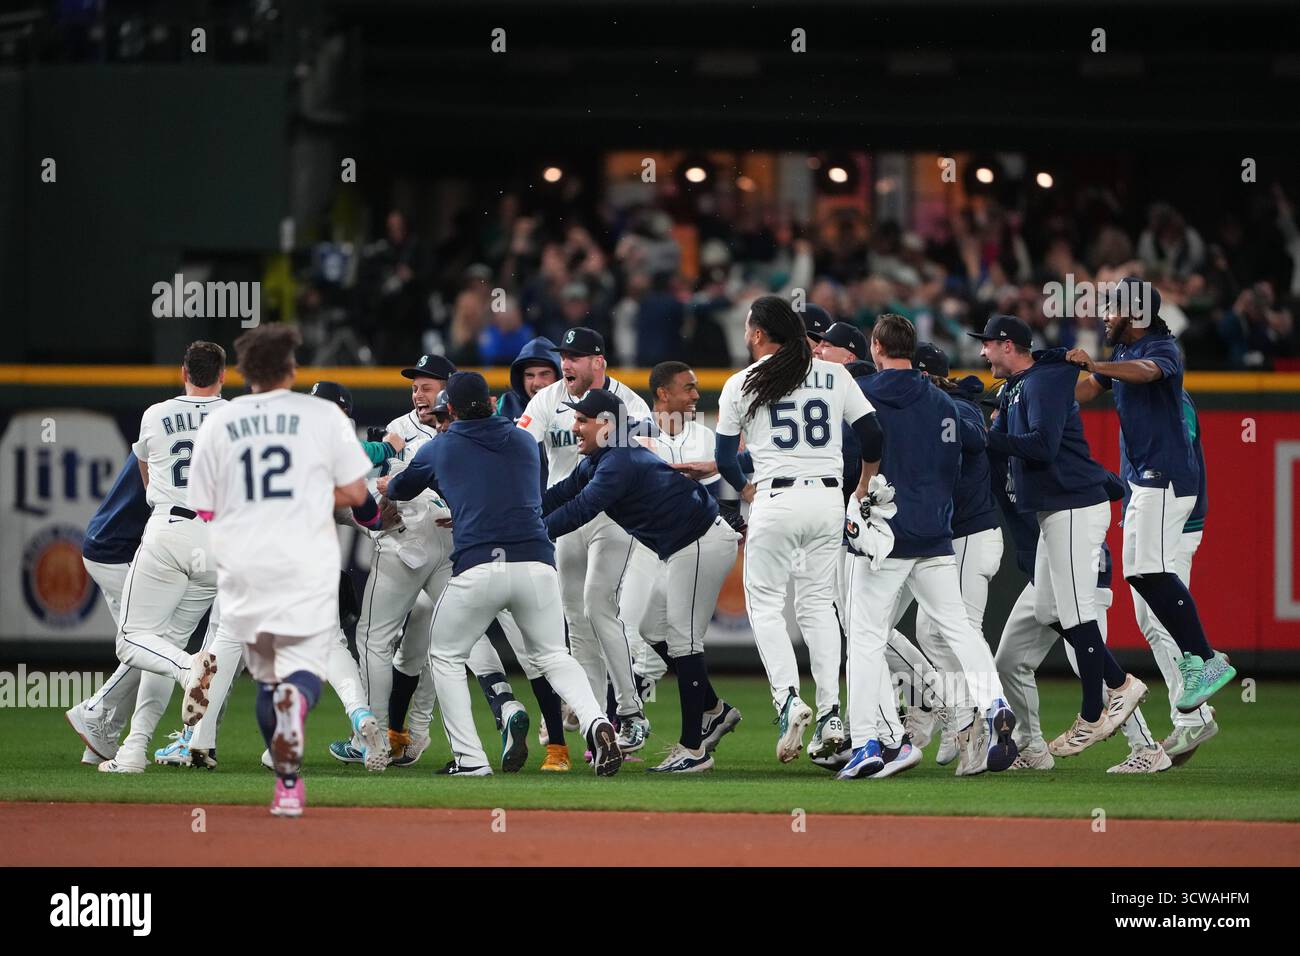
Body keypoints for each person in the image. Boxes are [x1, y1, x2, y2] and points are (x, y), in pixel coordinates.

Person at [381, 371, 624, 776]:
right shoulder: (526, 441)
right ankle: (597, 722)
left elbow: (402, 489)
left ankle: (471, 759)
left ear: (452, 410)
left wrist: (387, 479)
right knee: (553, 655)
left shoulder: (441, 446)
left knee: (445, 655)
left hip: (479, 566)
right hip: (536, 563)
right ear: (493, 403)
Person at [187, 325, 377, 817]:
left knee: (268, 676)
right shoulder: (319, 416)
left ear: (244, 372)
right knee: (307, 663)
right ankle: (293, 747)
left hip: (246, 562)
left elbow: (205, 509)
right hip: (306, 558)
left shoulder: (220, 423)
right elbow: (360, 497)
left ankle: (287, 783)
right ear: (292, 370)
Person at [838, 315, 1018, 780]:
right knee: (959, 629)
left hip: (886, 536)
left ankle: (865, 743)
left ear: (876, 346)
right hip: (936, 536)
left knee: (864, 638)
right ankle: (994, 701)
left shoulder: (865, 394)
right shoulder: (943, 400)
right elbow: (953, 468)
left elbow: (849, 458)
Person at [713, 295, 883, 764]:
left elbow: (727, 457)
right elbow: (872, 434)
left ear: (759, 334)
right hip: (828, 499)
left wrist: (746, 490)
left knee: (766, 605)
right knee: (817, 608)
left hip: (775, 498)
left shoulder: (741, 382)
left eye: (749, 328)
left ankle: (789, 698)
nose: (746, 335)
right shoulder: (833, 374)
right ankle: (831, 711)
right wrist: (864, 482)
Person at [542, 390, 742, 772]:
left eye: (583, 420)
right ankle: (714, 710)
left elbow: (582, 508)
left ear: (607, 425)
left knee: (685, 642)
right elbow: (560, 495)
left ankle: (693, 749)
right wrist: (518, 520)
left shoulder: (619, 461)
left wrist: (534, 534)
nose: (575, 427)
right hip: (685, 546)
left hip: (700, 543)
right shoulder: (602, 459)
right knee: (653, 630)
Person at [975, 314, 1147, 757]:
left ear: (1008, 345)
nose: (982, 352)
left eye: (988, 344)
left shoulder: (1043, 382)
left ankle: (1094, 712)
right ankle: (1119, 682)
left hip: (1074, 505)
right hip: (1055, 510)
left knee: (1074, 614)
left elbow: (1043, 445)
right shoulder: (1021, 384)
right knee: (1051, 607)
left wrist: (991, 439)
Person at [1069, 277, 1236, 722]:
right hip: (1146, 481)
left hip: (1165, 479)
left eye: (1113, 307)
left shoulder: (1161, 348)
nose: (1105, 314)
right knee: (1141, 575)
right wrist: (1052, 385)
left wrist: (1096, 365)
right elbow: (1086, 390)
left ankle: (1205, 657)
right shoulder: (1123, 352)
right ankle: (1199, 657)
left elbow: (1148, 372)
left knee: (1148, 571)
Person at [518, 327, 655, 753]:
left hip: (612, 516)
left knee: (598, 606)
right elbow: (520, 446)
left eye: (576, 356)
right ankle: (599, 725)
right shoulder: (547, 399)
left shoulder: (628, 401)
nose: (566, 363)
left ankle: (631, 713)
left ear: (599, 362)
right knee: (576, 621)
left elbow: (648, 447)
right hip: (567, 516)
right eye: (564, 355)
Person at [99, 342, 228, 772]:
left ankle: (189, 666)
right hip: (219, 542)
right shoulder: (238, 418)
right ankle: (134, 749)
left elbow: (147, 476)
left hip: (170, 528)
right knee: (164, 643)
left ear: (183, 372)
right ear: (223, 375)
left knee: (133, 640)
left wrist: (188, 668)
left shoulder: (155, 413)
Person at [497, 337, 561, 422]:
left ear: (559, 376)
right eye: (530, 375)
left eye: (544, 374)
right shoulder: (506, 405)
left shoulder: (576, 406)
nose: (536, 383)